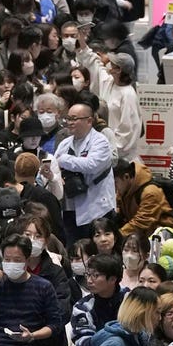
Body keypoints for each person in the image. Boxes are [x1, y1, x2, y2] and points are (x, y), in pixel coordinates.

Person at [55, 101, 116, 243]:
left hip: (97, 208)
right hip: (70, 207)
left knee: (97, 251)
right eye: (68, 119)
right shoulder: (65, 143)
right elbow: (54, 164)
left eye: (74, 119)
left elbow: (91, 164)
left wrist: (64, 160)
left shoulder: (100, 141)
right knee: (75, 253)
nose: (70, 122)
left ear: (89, 121)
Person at [113, 159, 173, 238]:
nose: (114, 186)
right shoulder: (124, 190)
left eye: (115, 182)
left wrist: (116, 236)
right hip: (143, 235)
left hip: (164, 238)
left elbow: (141, 222)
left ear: (126, 177)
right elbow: (119, 213)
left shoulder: (150, 192)